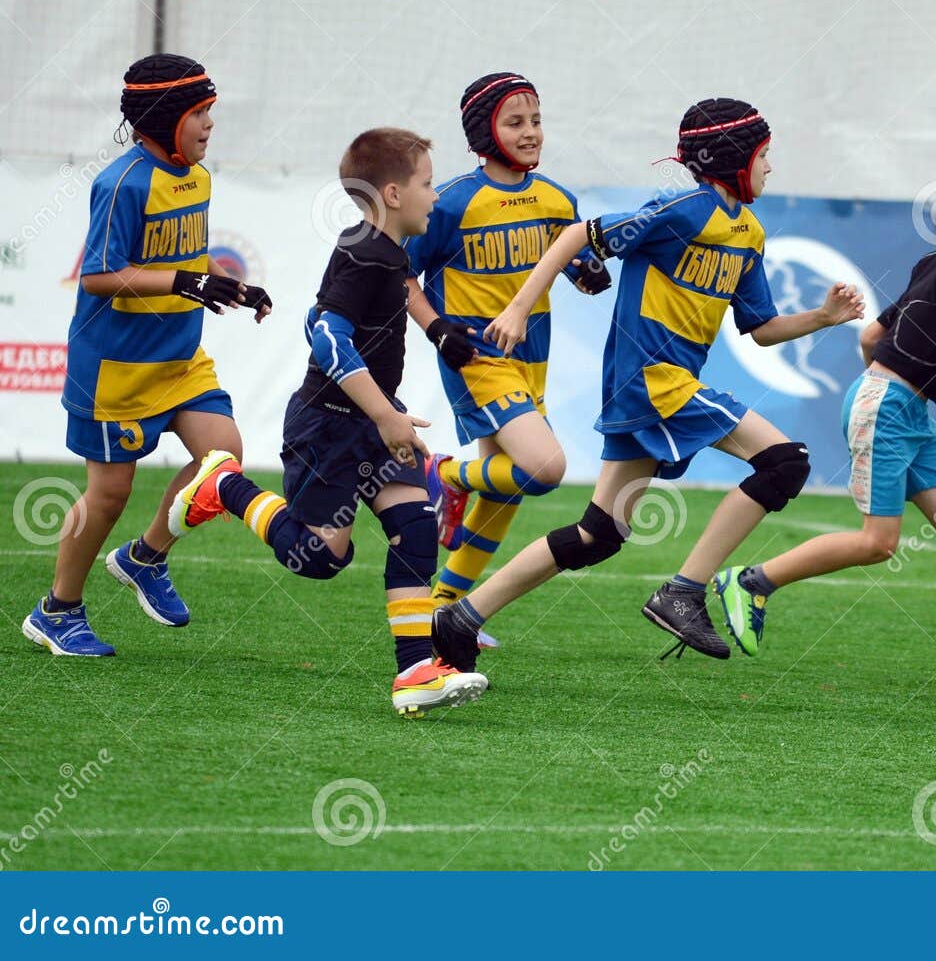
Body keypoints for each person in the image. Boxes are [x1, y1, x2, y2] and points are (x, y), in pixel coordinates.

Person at [431, 98, 862, 673]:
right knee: (786, 463)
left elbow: (760, 330)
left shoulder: (748, 231)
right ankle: (684, 591)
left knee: (599, 533)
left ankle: (461, 619)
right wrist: (518, 308)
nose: (770, 167)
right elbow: (577, 238)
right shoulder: (683, 209)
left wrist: (823, 317)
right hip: (653, 383)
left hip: (664, 388)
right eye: (765, 155)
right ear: (737, 158)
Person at [166, 128, 487, 716]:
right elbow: (329, 339)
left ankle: (415, 670)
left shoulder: (385, 249)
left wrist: (435, 329)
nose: (435, 195)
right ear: (392, 193)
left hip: (365, 425)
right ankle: (223, 485)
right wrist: (386, 412)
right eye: (427, 183)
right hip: (328, 428)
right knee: (319, 559)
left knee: (416, 526)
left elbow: (337, 311)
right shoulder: (366, 254)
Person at [715, 165, 936, 700]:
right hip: (891, 409)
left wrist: (883, 385)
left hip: (897, 408)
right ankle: (751, 582)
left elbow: (873, 335)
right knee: (878, 543)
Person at [22, 54, 270, 657]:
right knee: (109, 495)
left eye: (211, 112)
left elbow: (186, 256)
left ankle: (146, 556)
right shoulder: (121, 182)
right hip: (114, 369)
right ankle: (58, 611)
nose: (210, 124)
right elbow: (101, 278)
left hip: (180, 360)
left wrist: (227, 284)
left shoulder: (199, 178)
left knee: (223, 458)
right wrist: (187, 283)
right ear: (164, 119)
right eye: (199, 113)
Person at [405, 73, 610, 645]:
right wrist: (437, 329)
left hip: (532, 357)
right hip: (475, 354)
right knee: (545, 469)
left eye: (536, 120)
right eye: (515, 122)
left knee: (507, 485)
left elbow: (564, 261)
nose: (530, 133)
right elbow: (399, 272)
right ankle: (439, 472)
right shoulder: (449, 202)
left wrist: (584, 273)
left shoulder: (556, 198)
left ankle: (445, 606)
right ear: (483, 131)